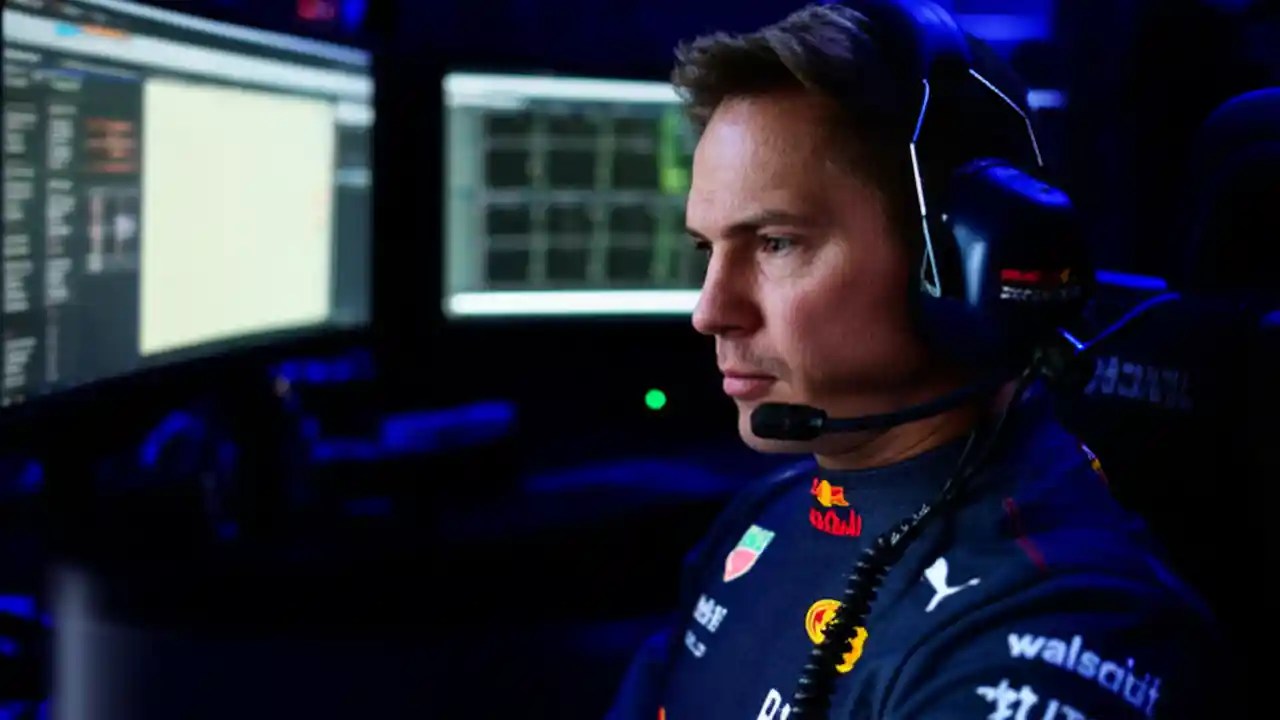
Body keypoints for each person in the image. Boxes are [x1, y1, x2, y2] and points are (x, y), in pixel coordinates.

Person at [606, 2, 1235, 718]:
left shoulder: (1058, 631)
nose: (709, 310)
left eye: (775, 243)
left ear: (965, 261)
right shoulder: (765, 515)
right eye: (706, 249)